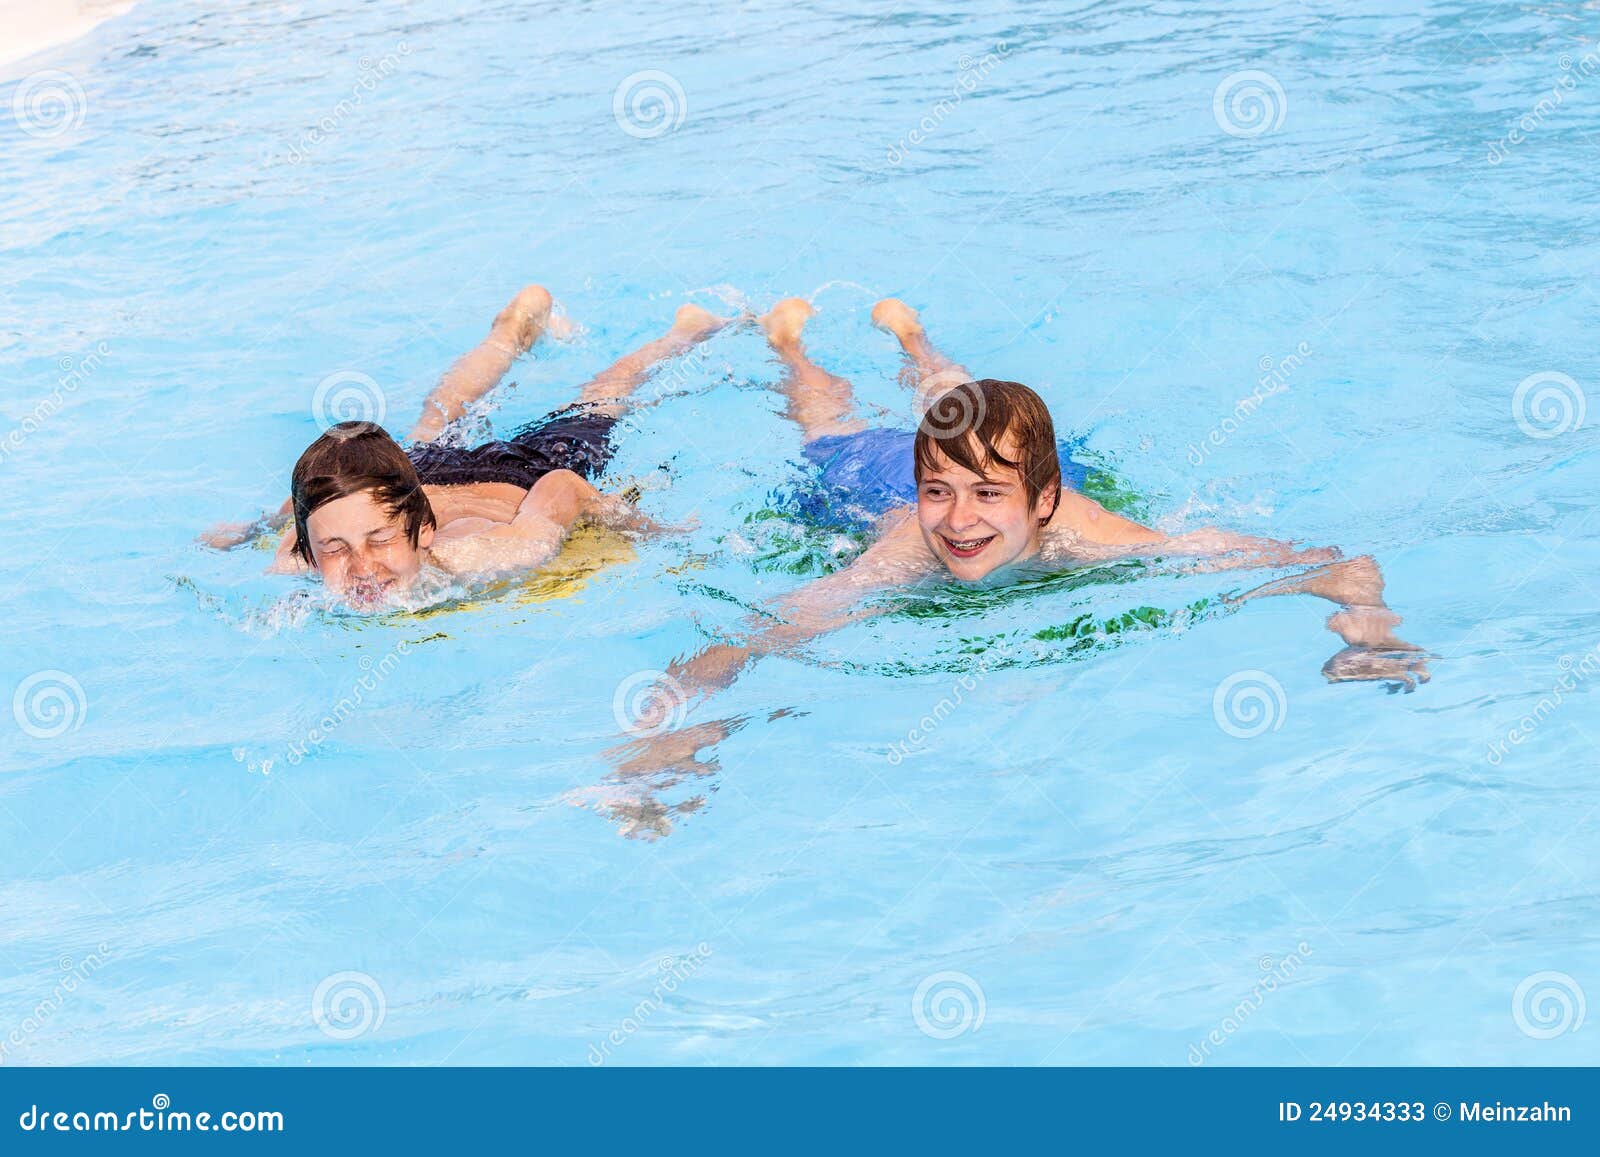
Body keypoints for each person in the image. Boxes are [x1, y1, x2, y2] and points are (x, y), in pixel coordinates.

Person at [611, 297, 1428, 759]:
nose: (959, 524)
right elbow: (763, 632)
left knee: (958, 398)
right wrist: (666, 730)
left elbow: (1334, 561)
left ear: (1043, 500)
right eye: (945, 496)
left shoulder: (1094, 535)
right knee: (826, 430)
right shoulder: (908, 542)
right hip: (875, 478)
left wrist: (1370, 632)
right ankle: (790, 345)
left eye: (986, 497)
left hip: (990, 457)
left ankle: (912, 334)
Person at [203, 286, 730, 609]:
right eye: (335, 550)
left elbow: (562, 487)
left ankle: (684, 332)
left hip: (525, 476)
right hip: (415, 476)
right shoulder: (296, 561)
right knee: (439, 413)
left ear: (424, 531)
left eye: (379, 542)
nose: (362, 568)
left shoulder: (487, 556)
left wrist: (650, 529)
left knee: (598, 402)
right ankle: (514, 326)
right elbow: (319, 498)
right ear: (309, 554)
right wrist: (256, 528)